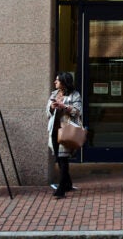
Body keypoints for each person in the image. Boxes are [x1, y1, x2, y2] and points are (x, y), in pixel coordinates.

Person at [46, 71, 83, 199]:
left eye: (57, 80)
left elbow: (78, 111)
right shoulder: (54, 94)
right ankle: (68, 184)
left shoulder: (75, 95)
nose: (55, 82)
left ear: (63, 82)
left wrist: (64, 106)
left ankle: (61, 189)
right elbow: (47, 111)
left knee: (63, 158)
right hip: (54, 130)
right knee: (59, 157)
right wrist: (52, 107)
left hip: (66, 130)